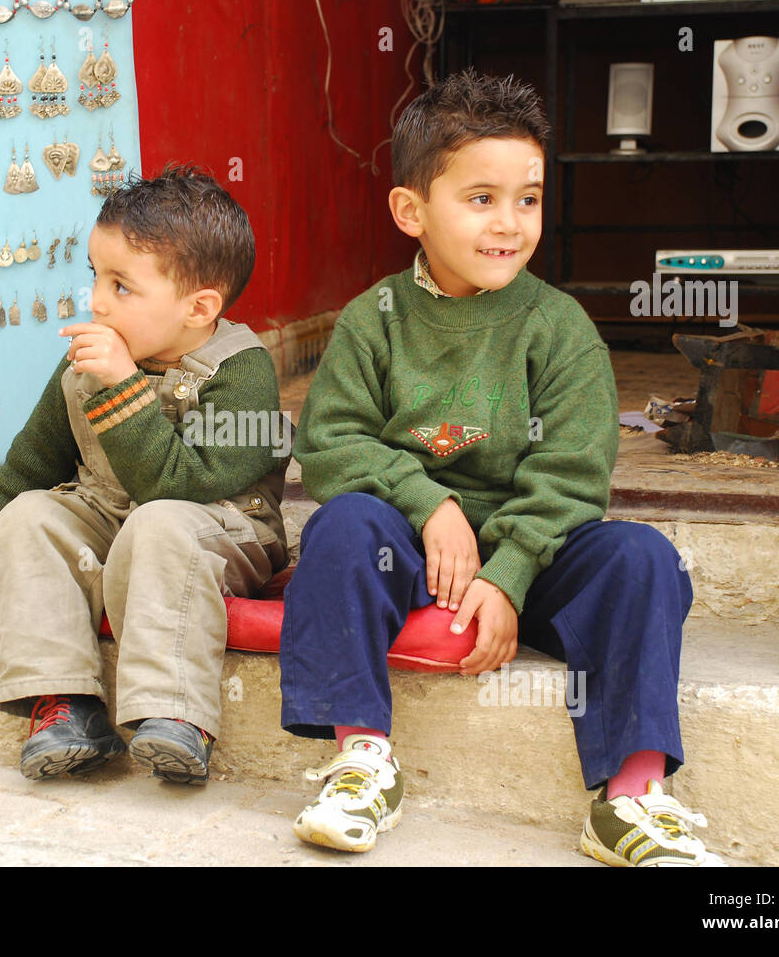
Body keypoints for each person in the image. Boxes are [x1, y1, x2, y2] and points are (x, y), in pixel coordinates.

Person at [280, 69, 723, 866]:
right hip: (414, 552)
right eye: (481, 198)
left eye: (529, 198)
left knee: (642, 557)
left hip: (537, 554)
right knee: (342, 526)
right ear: (411, 211)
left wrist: (509, 573)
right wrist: (428, 504)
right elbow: (331, 443)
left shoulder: (558, 327)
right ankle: (360, 761)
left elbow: (574, 472)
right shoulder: (373, 320)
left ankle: (630, 797)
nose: (510, 223)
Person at [0, 165, 290, 785]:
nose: (98, 301)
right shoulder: (86, 363)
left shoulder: (241, 372)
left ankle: (176, 714)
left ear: (199, 306)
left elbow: (181, 484)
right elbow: (32, 459)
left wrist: (126, 388)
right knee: (28, 517)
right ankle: (65, 705)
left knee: (158, 524)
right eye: (96, 277)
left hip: (214, 529)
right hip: (111, 515)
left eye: (122, 286)